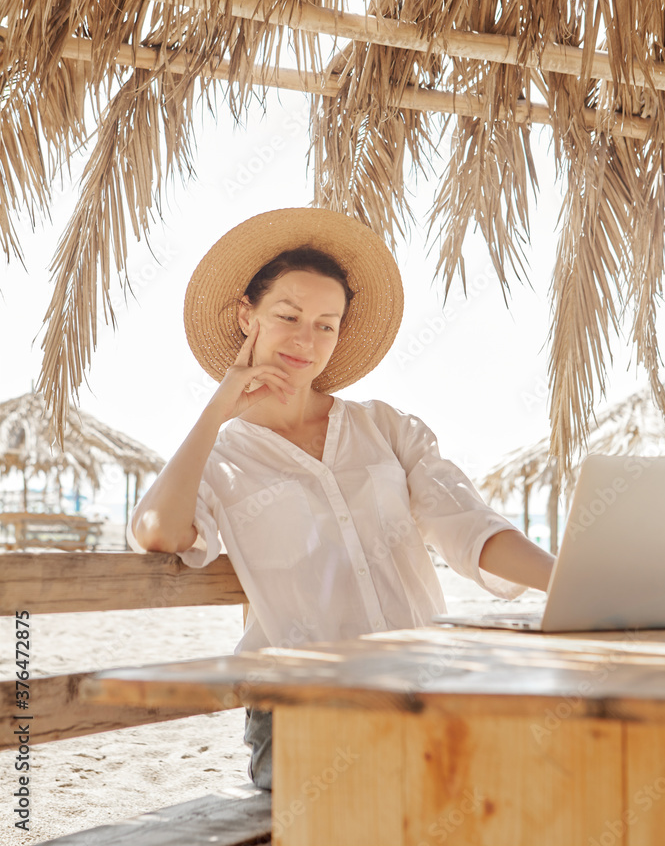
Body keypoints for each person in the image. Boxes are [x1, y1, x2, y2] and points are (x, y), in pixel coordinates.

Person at [127, 206, 555, 791]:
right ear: (245, 317)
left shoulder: (388, 429)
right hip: (305, 706)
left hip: (424, 686)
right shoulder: (220, 459)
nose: (307, 339)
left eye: (327, 324)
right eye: (288, 315)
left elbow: (471, 529)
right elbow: (157, 530)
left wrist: (570, 581)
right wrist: (221, 403)